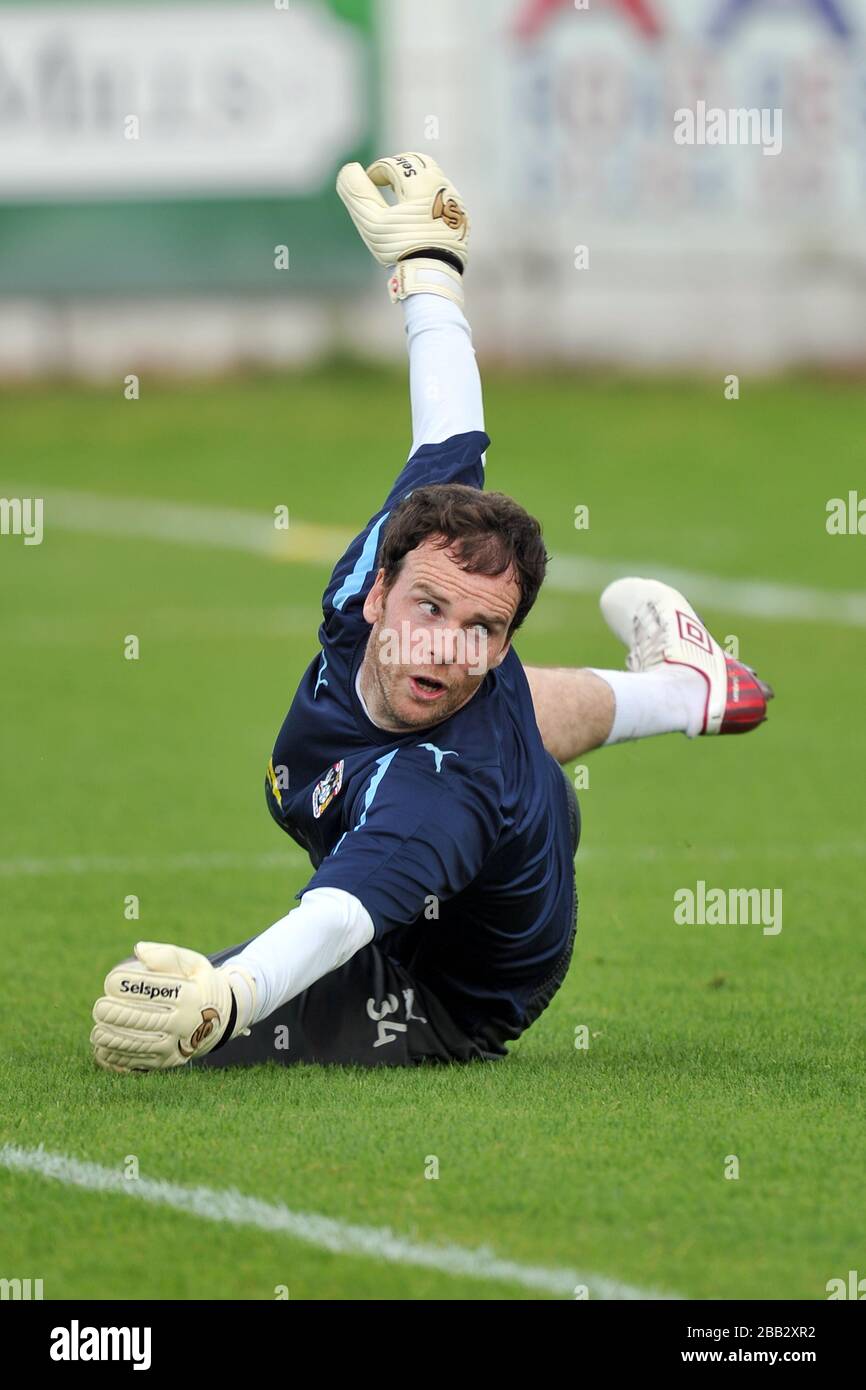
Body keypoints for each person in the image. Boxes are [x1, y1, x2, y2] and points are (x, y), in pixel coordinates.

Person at [90, 153, 772, 1074]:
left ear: (504, 643)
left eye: (485, 630)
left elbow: (339, 917)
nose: (446, 642)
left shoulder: (437, 793)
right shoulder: (373, 573)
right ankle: (688, 692)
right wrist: (429, 270)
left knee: (157, 1037)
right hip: (507, 806)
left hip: (436, 988)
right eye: (427, 605)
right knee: (506, 735)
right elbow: (448, 436)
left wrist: (229, 997)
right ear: (377, 591)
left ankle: (662, 707)